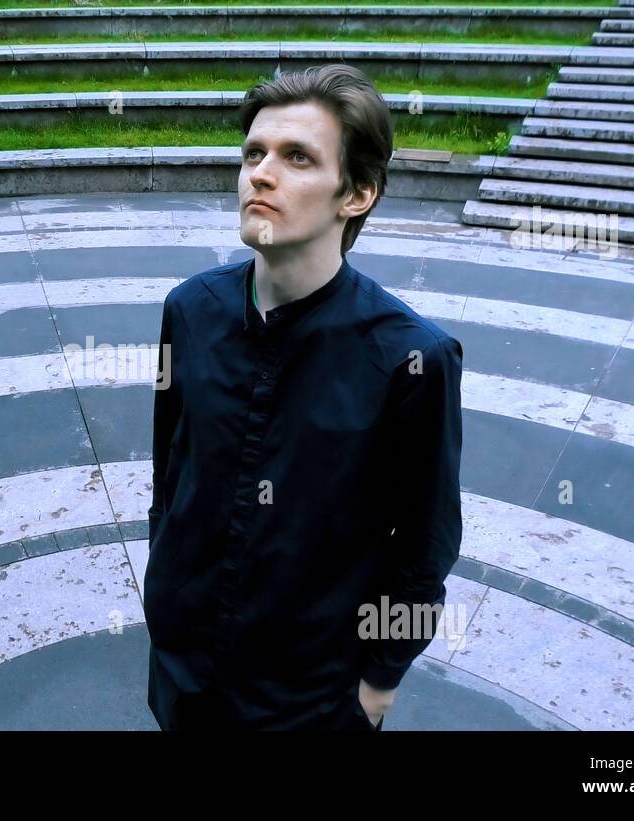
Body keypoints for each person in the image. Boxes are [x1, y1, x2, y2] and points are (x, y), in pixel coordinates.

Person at [144, 63, 465, 731]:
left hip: (312, 702)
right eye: (253, 154)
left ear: (358, 194)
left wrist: (377, 684)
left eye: (297, 157)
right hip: (184, 674)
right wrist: (165, 593)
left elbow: (426, 545)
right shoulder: (189, 309)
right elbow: (170, 473)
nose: (260, 174)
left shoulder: (412, 358)